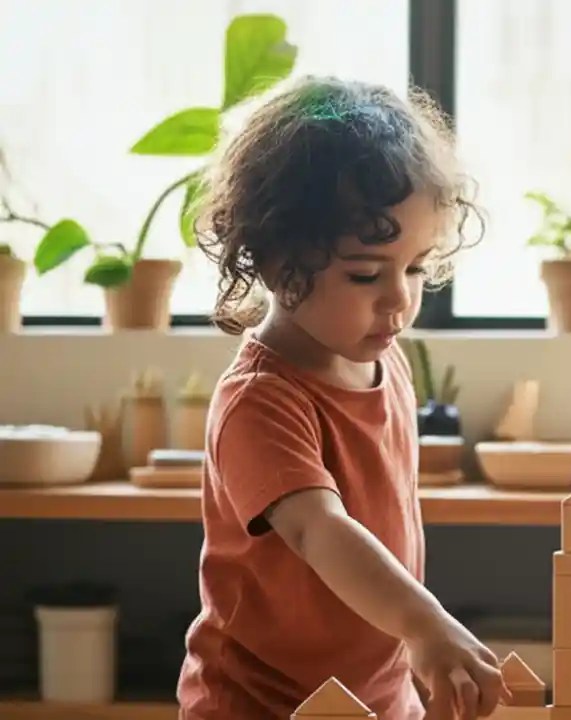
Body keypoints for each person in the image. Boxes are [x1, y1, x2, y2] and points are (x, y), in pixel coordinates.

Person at [176, 76, 508, 720]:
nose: (400, 300)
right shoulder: (261, 400)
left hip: (375, 695)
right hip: (260, 704)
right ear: (277, 262)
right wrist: (424, 623)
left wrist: (413, 648)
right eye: (365, 273)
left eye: (415, 268)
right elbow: (318, 529)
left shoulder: (387, 361)